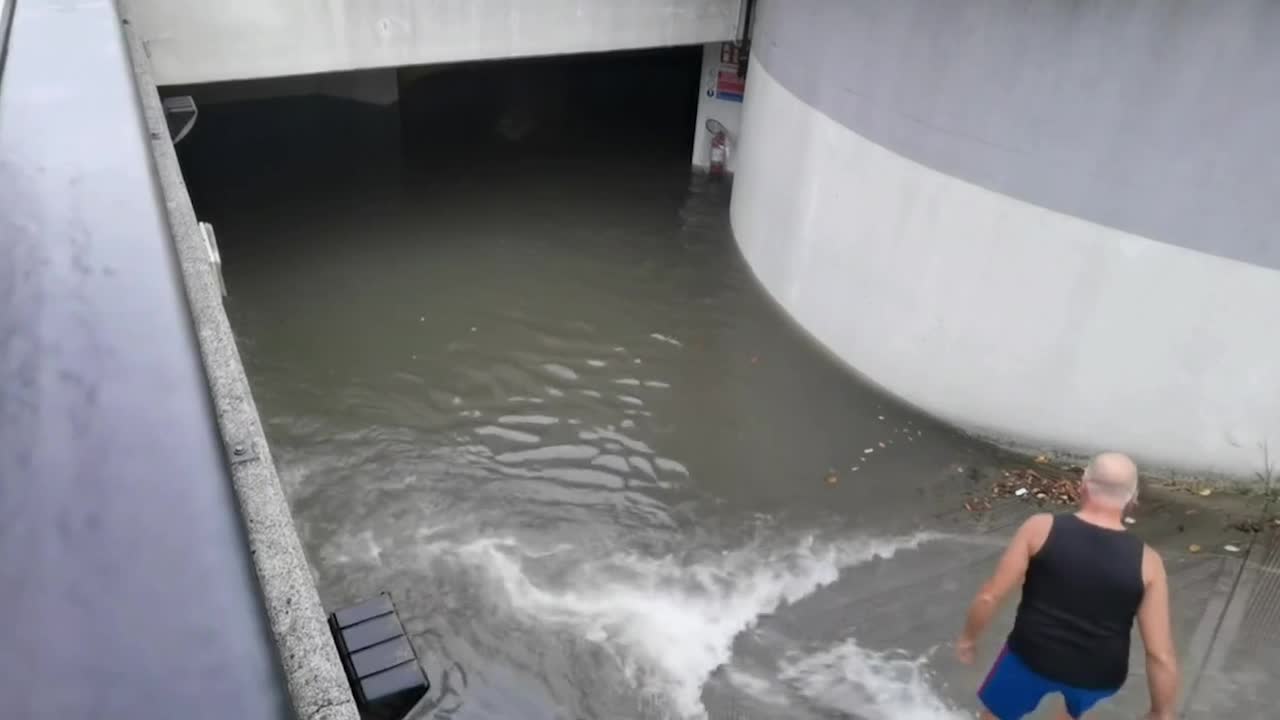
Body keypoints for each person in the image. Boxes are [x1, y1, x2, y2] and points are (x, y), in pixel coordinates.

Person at [955, 452, 1179, 720]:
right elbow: (1159, 654)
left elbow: (990, 596)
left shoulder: (1040, 529)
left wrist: (968, 639)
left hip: (1031, 656)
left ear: (1082, 485)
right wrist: (1161, 712)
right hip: (1098, 674)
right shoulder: (1149, 563)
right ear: (1133, 499)